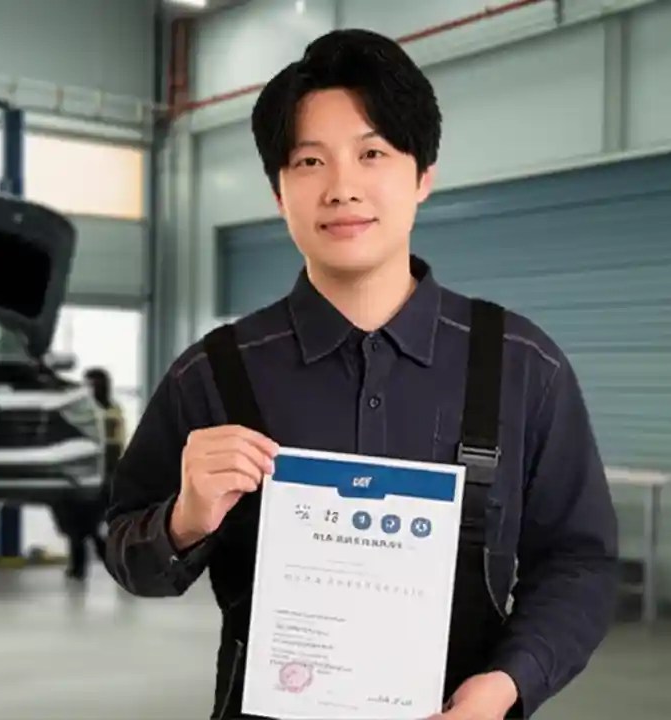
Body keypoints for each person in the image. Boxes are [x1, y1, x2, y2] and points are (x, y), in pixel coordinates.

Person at [103, 29, 618, 720]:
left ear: (422, 175)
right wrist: (183, 519)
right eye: (309, 161)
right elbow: (127, 553)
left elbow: (579, 563)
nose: (342, 188)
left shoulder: (522, 365)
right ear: (279, 191)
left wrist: (505, 686)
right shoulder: (214, 373)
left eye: (372, 153)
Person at [57, 367, 126, 580]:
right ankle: (83, 566)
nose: (91, 388)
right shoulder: (82, 410)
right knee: (78, 525)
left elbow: (115, 445)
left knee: (87, 526)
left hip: (103, 475)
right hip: (80, 473)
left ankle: (93, 563)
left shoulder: (110, 411)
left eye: (94, 384)